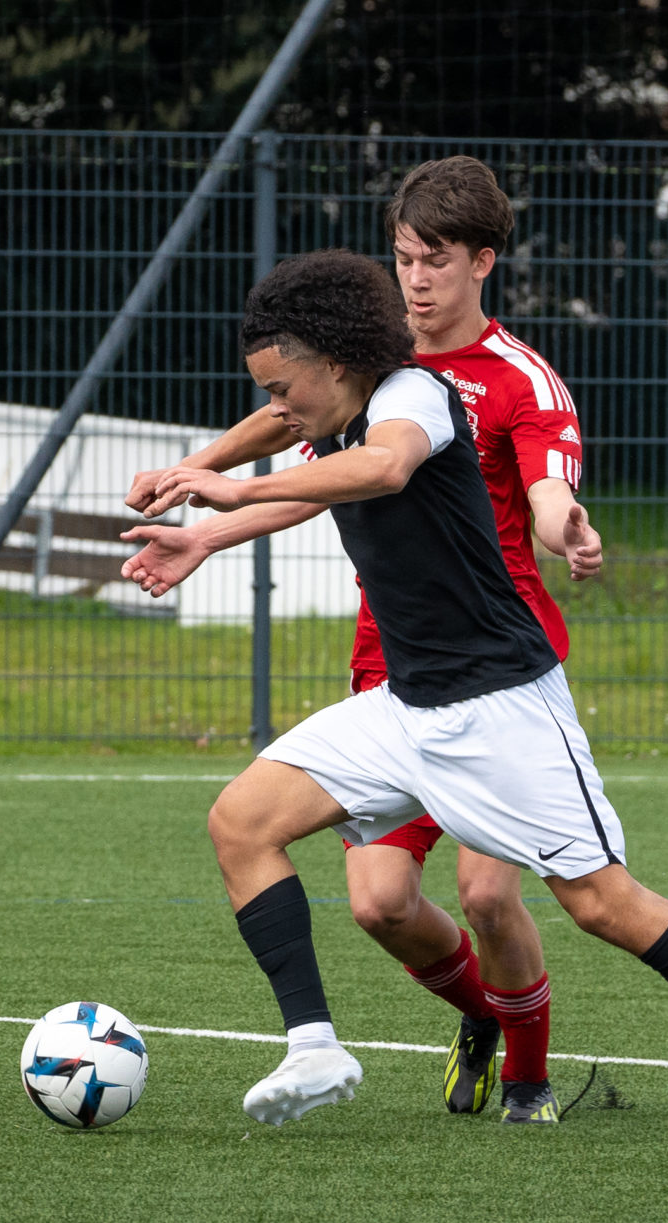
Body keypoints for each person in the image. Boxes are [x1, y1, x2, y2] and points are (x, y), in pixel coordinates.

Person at [121, 249, 668, 1144]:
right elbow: (300, 463)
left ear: (337, 363)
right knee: (242, 822)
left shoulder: (413, 399)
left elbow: (381, 471)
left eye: (285, 386)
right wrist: (208, 535)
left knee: (600, 903)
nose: (278, 408)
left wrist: (227, 486)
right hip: (404, 707)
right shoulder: (337, 411)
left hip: (502, 702)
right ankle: (314, 1047)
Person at [121, 158, 599, 1125]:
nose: (414, 280)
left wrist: (565, 525)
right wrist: (196, 491)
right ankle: (486, 1016)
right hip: (395, 668)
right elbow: (297, 442)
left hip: (497, 670)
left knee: (489, 895)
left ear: (482, 263)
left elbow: (546, 483)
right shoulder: (370, 370)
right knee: (379, 903)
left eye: (432, 262)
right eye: (402, 259)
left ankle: (530, 1077)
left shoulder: (515, 380)